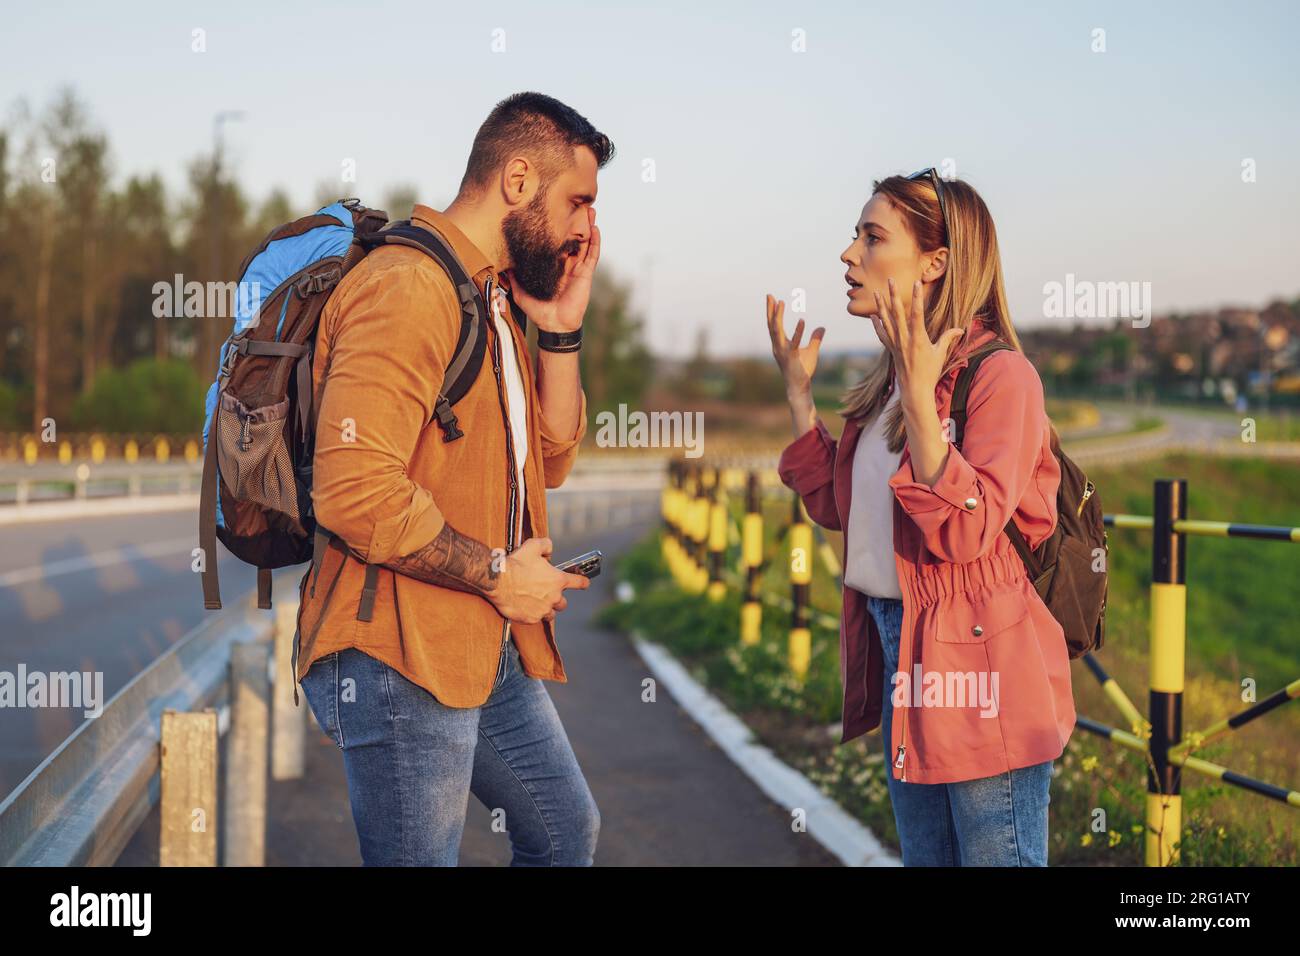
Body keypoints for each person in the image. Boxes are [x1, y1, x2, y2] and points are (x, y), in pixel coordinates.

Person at [295, 92, 614, 866]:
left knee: (565, 831)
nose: (586, 229)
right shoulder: (410, 286)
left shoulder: (491, 295)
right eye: (578, 201)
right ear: (516, 180)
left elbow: (553, 459)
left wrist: (562, 328)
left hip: (478, 638)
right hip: (399, 649)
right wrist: (501, 575)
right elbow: (353, 489)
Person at [767, 170, 1074, 866]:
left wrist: (921, 403)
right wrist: (798, 397)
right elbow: (839, 512)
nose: (849, 254)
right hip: (900, 645)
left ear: (936, 263)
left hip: (981, 663)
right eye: (855, 234)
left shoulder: (1001, 379)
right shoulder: (885, 380)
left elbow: (968, 528)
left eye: (872, 236)